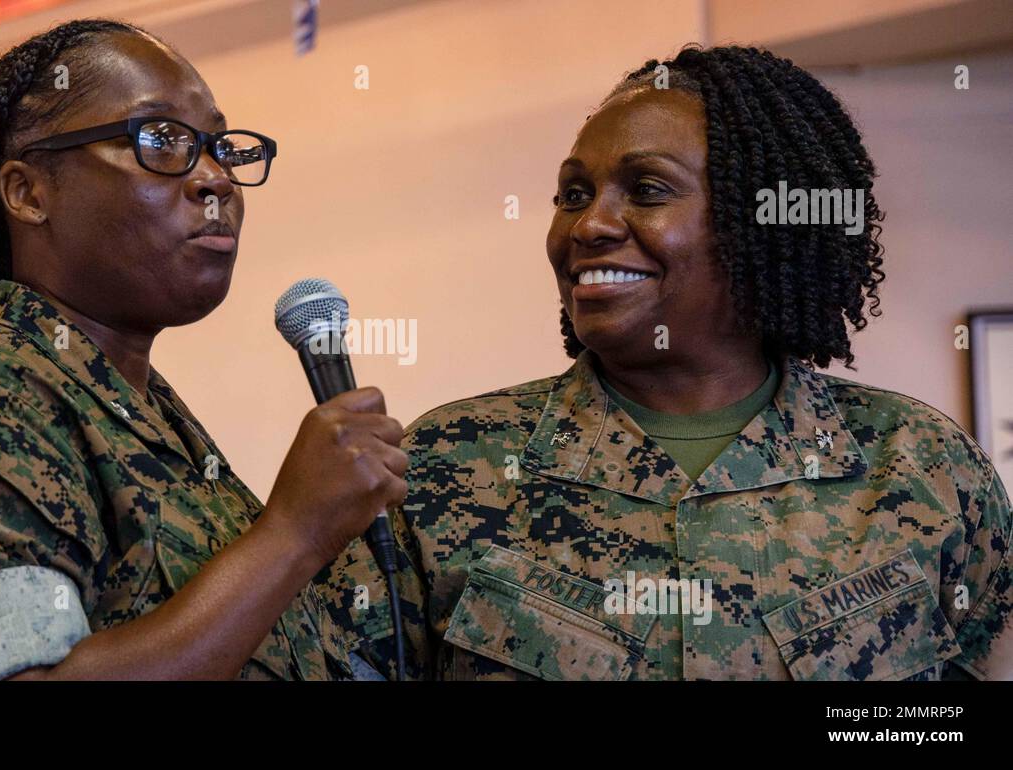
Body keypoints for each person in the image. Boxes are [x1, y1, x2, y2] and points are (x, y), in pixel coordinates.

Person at [320, 45, 1012, 681]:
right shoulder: (446, 467)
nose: (589, 225)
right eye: (573, 194)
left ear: (762, 225)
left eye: (647, 190)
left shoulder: (921, 466)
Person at [0, 19, 408, 680]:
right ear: (28, 192)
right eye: (162, 139)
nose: (216, 179)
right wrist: (292, 535)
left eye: (220, 147)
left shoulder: (146, 417)